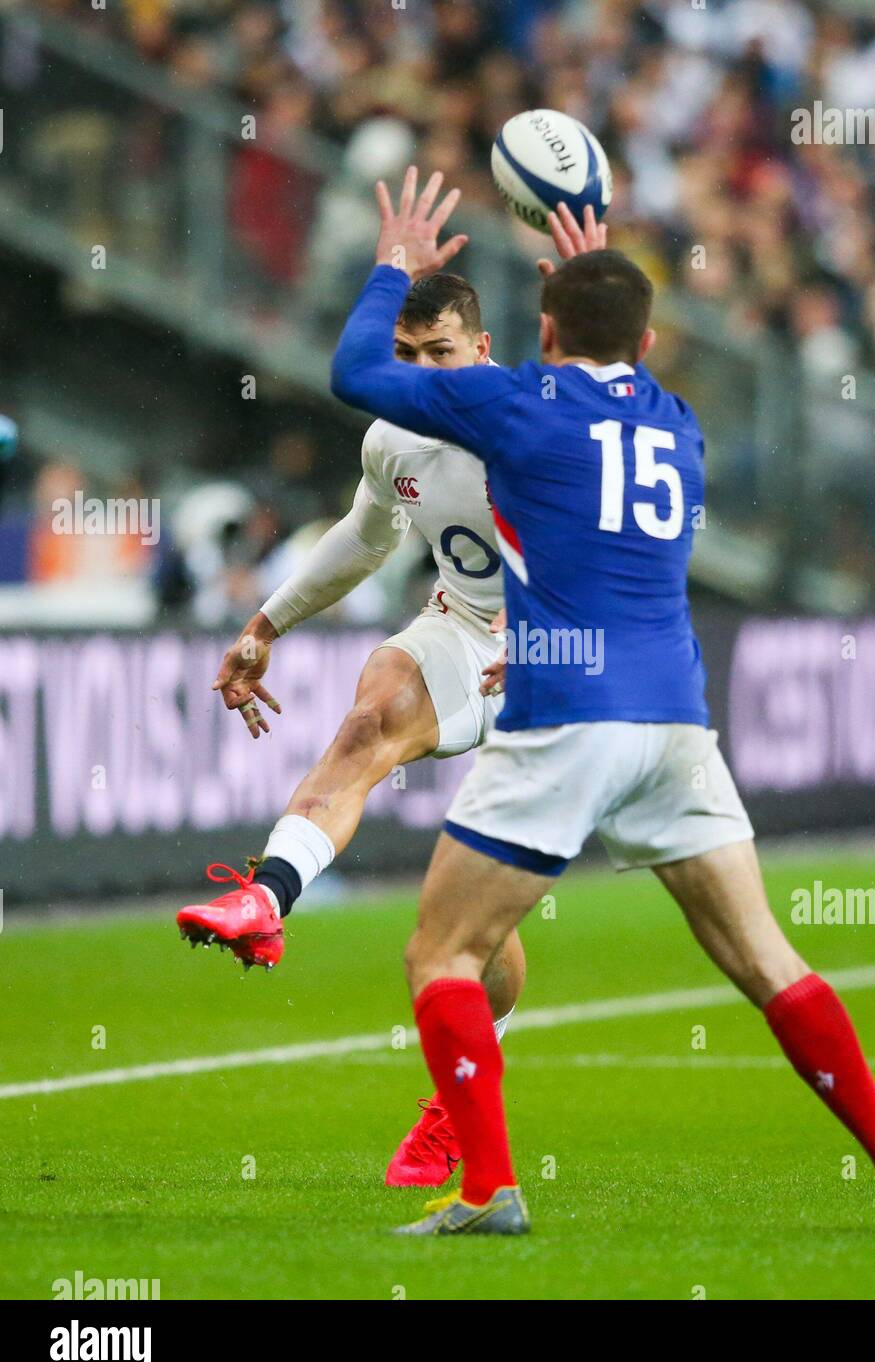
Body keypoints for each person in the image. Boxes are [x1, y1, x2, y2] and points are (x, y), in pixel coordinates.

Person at [326, 166, 875, 1237]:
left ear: (542, 330)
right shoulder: (679, 423)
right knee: (769, 961)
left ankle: (488, 1191)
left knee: (441, 955)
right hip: (676, 721)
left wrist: (394, 266)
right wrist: (592, 280)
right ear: (647, 341)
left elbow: (357, 371)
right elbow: (611, 362)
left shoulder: (514, 402)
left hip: (565, 717)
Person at [176, 209, 608, 1186]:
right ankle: (266, 898)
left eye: (439, 354)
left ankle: (461, 1094)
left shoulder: (536, 419)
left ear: (482, 352)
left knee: (469, 925)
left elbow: (608, 535)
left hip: (562, 658)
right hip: (462, 630)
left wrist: (552, 635)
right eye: (405, 356)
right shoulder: (392, 439)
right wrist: (266, 625)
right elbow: (365, 539)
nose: (420, 374)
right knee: (370, 710)